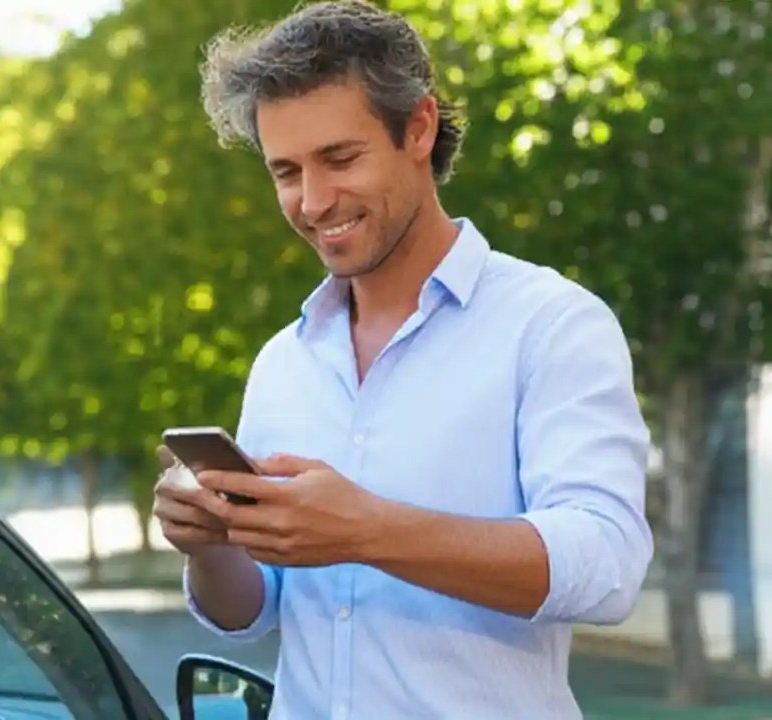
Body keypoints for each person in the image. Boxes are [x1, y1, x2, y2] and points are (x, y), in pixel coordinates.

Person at [152, 2, 653, 717]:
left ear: (418, 128)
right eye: (286, 171)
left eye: (340, 159)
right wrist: (206, 544)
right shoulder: (282, 363)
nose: (314, 201)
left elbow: (606, 565)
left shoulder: (550, 325)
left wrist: (366, 529)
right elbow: (252, 611)